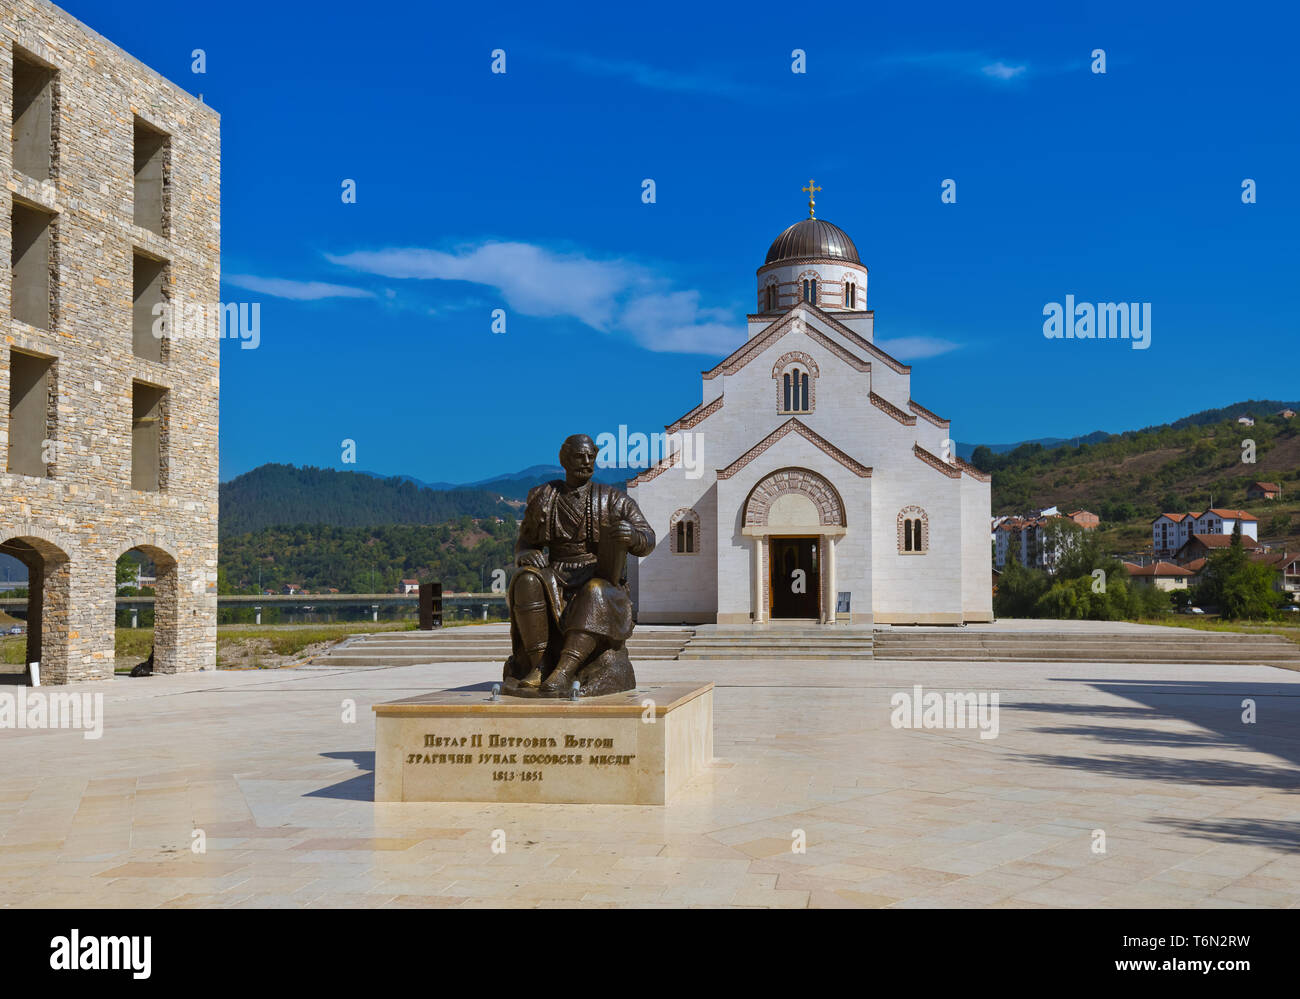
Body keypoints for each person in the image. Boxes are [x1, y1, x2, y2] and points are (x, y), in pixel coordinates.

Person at [505, 434, 654, 695]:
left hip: (600, 577)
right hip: (555, 573)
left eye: (591, 457)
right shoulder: (545, 496)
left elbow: (648, 538)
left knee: (595, 589)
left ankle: (563, 671)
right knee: (527, 580)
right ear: (564, 460)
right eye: (579, 456)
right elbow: (525, 542)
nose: (586, 462)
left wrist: (632, 536)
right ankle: (539, 666)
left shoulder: (612, 499)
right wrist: (525, 554)